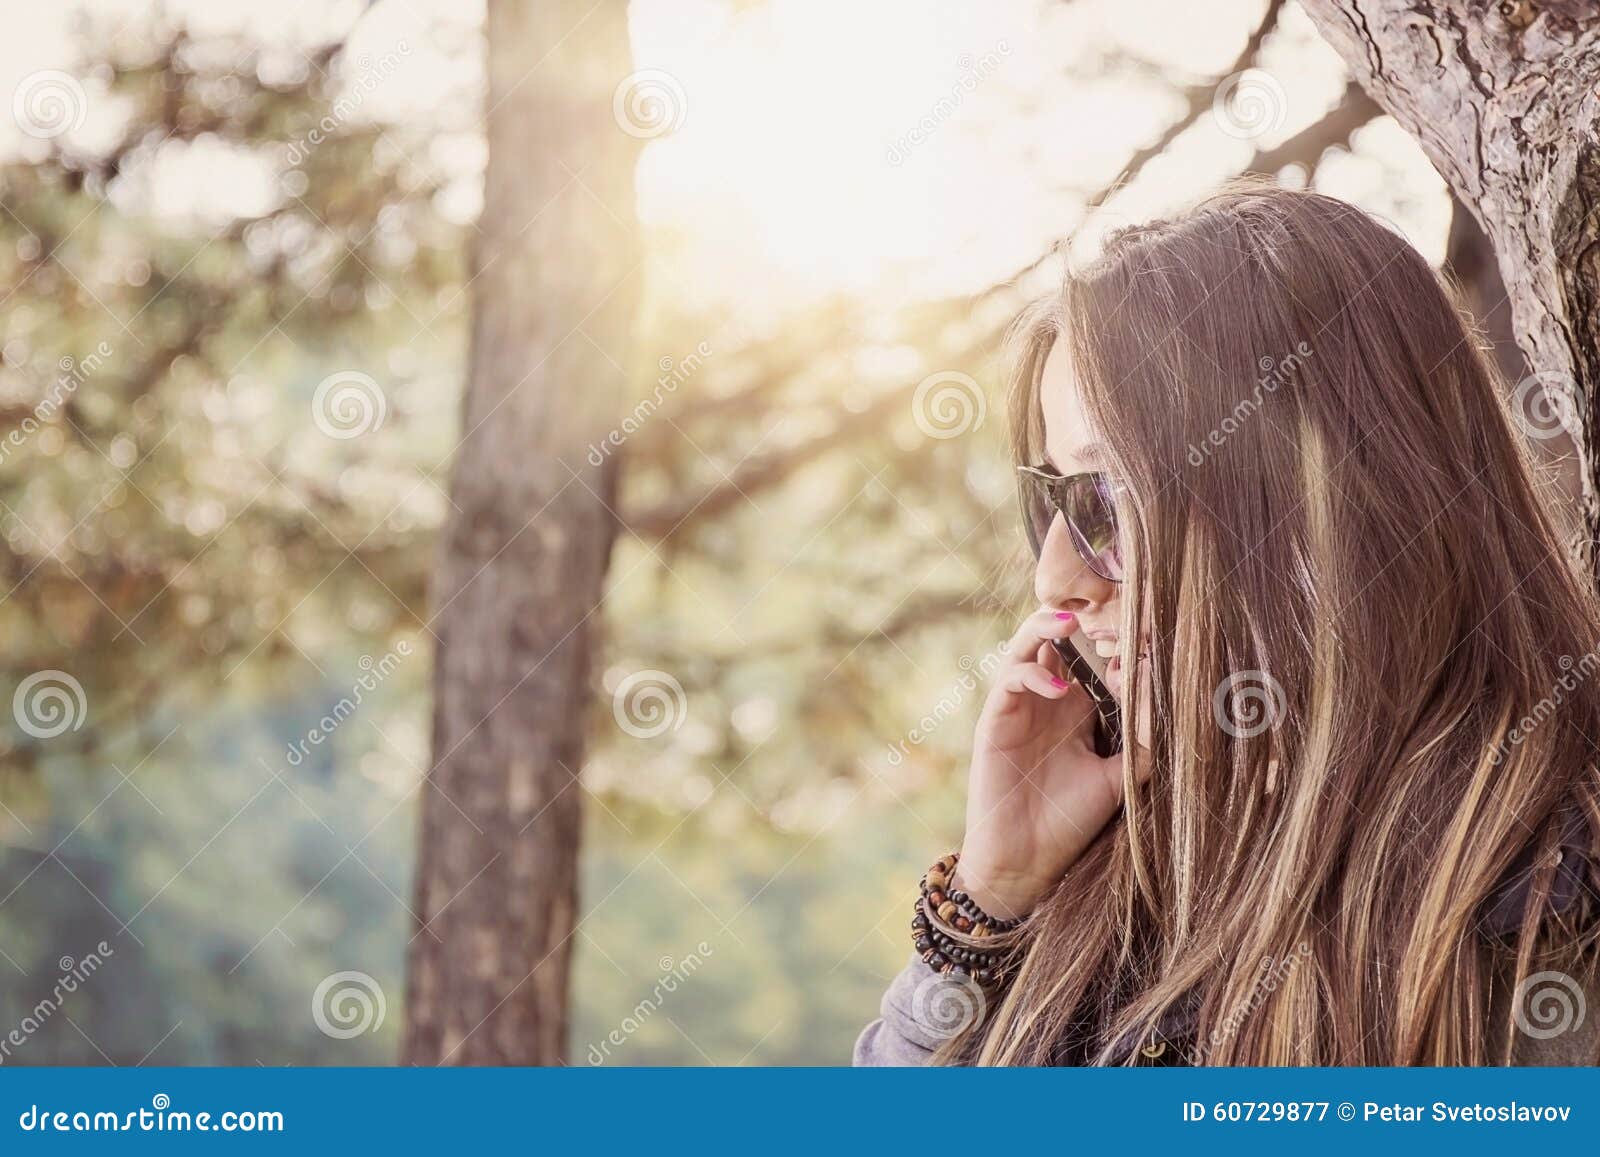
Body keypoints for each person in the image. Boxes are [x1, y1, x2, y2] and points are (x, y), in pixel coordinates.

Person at [855, 185, 1600, 1066]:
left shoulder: (1551, 926)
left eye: (1114, 495)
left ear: (1331, 499)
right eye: (1059, 499)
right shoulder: (1120, 873)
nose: (1057, 579)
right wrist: (989, 904)